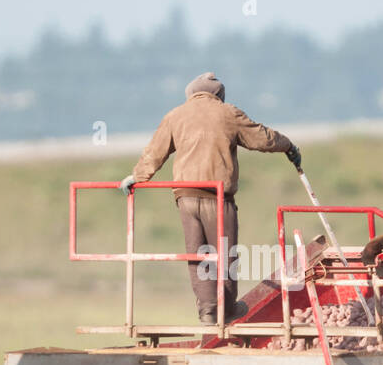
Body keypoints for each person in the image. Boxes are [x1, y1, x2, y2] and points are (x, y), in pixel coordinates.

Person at [120, 72, 300, 324]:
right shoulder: (228, 113)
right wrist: (288, 145)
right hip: (217, 197)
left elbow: (154, 152)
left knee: (197, 256)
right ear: (218, 94)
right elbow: (262, 138)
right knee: (224, 254)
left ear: (191, 94)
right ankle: (226, 309)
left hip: (185, 197)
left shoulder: (175, 116)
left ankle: (207, 311)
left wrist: (137, 176)